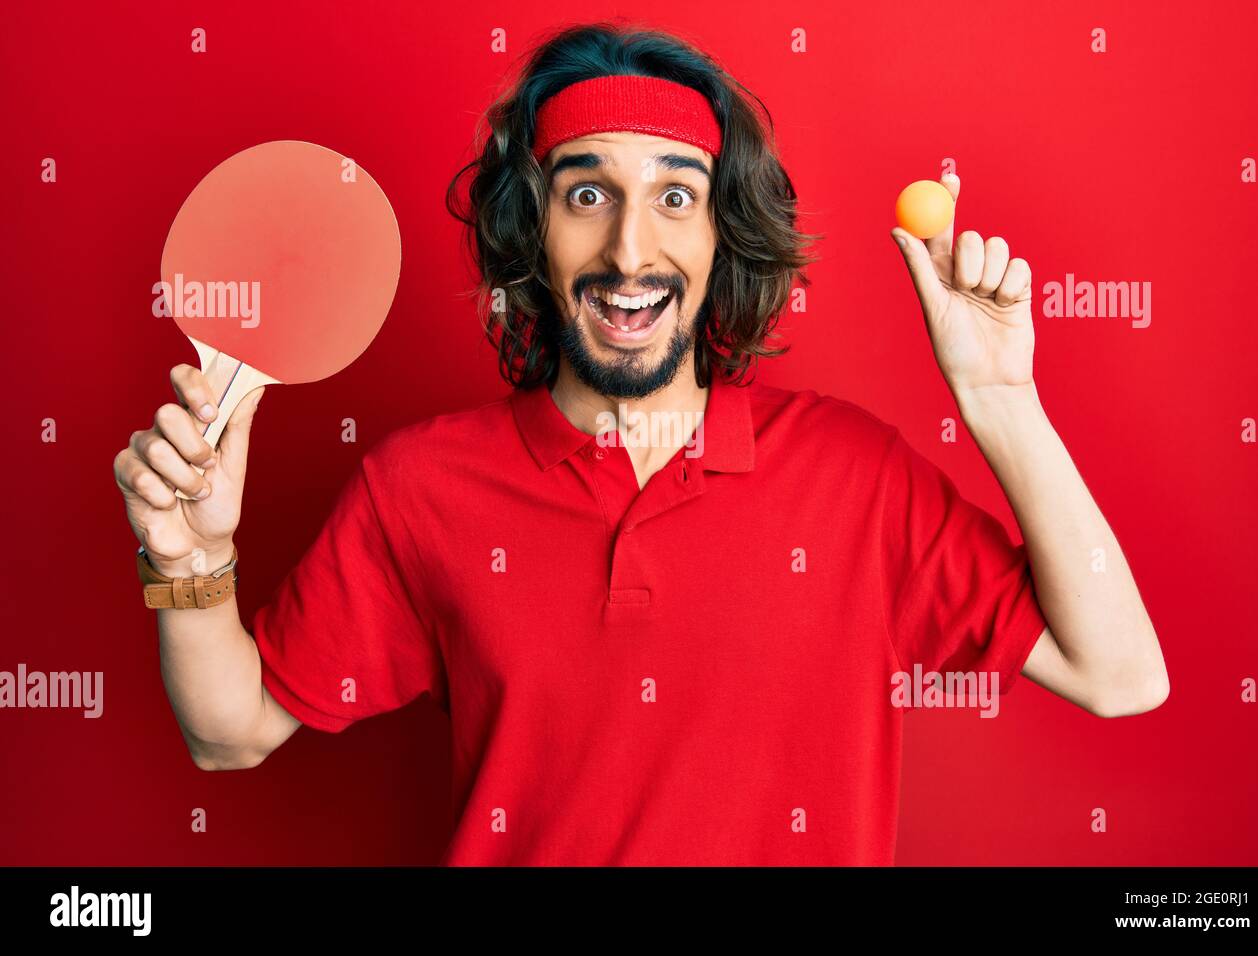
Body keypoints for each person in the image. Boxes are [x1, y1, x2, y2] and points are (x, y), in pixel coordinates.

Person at [112, 23, 1168, 865]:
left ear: (723, 238)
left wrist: (1000, 397)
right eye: (586, 195)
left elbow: (1119, 673)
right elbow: (229, 729)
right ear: (532, 231)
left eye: (675, 195)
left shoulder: (856, 477)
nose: (629, 248)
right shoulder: (418, 486)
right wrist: (189, 557)